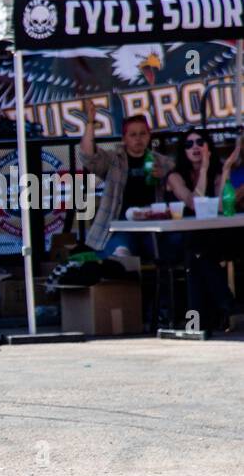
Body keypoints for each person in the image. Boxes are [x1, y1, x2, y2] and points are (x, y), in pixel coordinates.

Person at [167, 128, 244, 331]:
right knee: (197, 252)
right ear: (182, 151)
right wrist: (203, 170)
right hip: (182, 238)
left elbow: (221, 206)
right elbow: (194, 204)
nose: (195, 147)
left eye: (200, 142)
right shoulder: (175, 176)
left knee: (199, 254)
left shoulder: (217, 173)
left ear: (208, 147)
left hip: (214, 237)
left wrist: (226, 169)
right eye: (189, 144)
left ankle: (201, 320)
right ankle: (227, 304)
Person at [79, 101, 176, 257]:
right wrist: (90, 123)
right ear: (124, 138)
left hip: (153, 228)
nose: (138, 139)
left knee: (170, 250)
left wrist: (164, 177)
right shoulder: (114, 160)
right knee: (121, 252)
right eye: (133, 134)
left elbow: (177, 181)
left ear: (149, 136)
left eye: (143, 134)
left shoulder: (161, 161)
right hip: (120, 227)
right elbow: (88, 156)